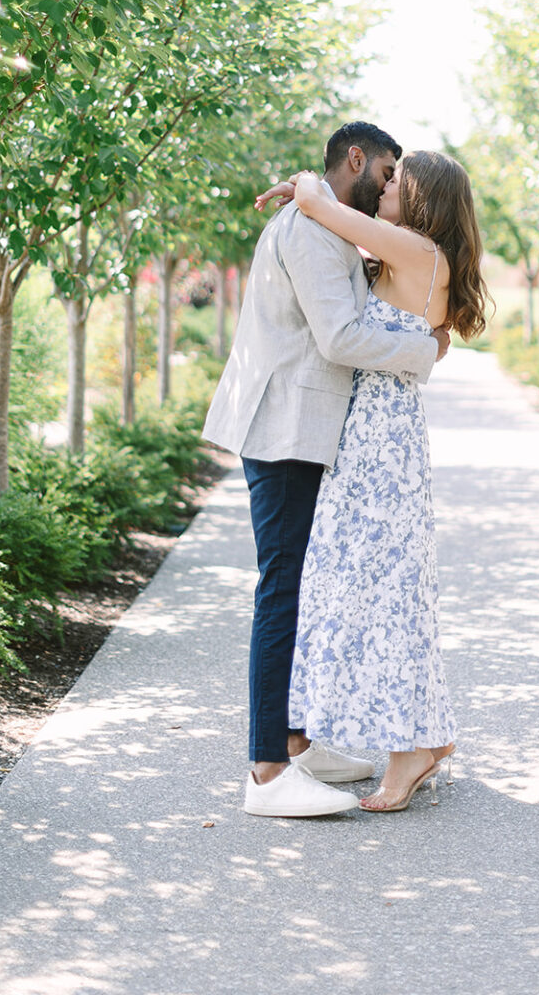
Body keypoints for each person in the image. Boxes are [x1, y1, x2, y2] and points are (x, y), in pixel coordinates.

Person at [202, 122, 450, 819]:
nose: (391, 183)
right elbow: (339, 337)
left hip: (301, 426)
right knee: (282, 588)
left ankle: (298, 743)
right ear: (357, 160)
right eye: (389, 170)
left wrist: (312, 195)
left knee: (298, 585)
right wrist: (424, 351)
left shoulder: (326, 222)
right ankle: (268, 772)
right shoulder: (312, 231)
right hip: (284, 424)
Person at [275, 151, 486, 813]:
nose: (385, 185)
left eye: (397, 180)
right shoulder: (407, 257)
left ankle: (409, 754)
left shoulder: (422, 252)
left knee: (392, 593)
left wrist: (306, 186)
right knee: (371, 587)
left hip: (383, 445)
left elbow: (320, 206)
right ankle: (420, 741)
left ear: (425, 200)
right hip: (367, 438)